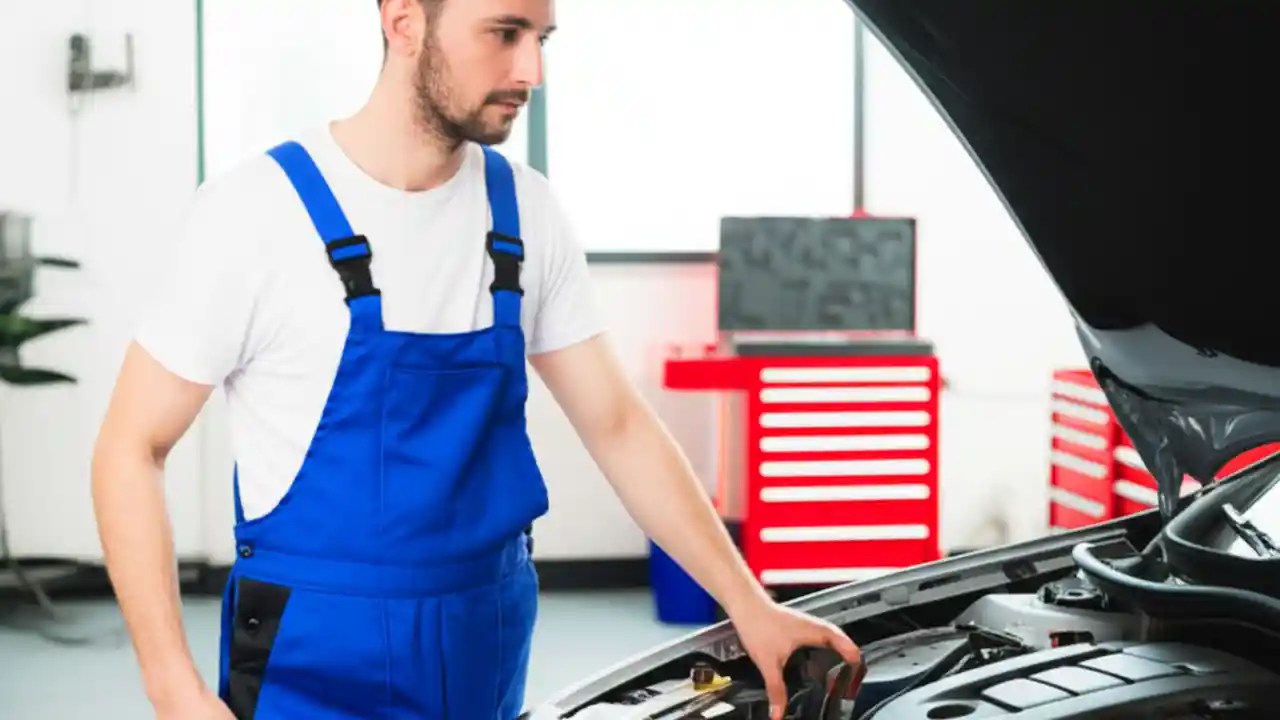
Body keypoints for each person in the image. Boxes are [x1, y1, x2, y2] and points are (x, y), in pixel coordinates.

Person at [90, 0, 862, 718]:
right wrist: (172, 686)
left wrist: (749, 603)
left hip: (483, 639)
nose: (532, 72)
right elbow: (130, 447)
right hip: (310, 652)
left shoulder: (527, 212)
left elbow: (619, 426)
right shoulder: (254, 212)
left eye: (542, 40)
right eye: (505, 33)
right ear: (403, 20)